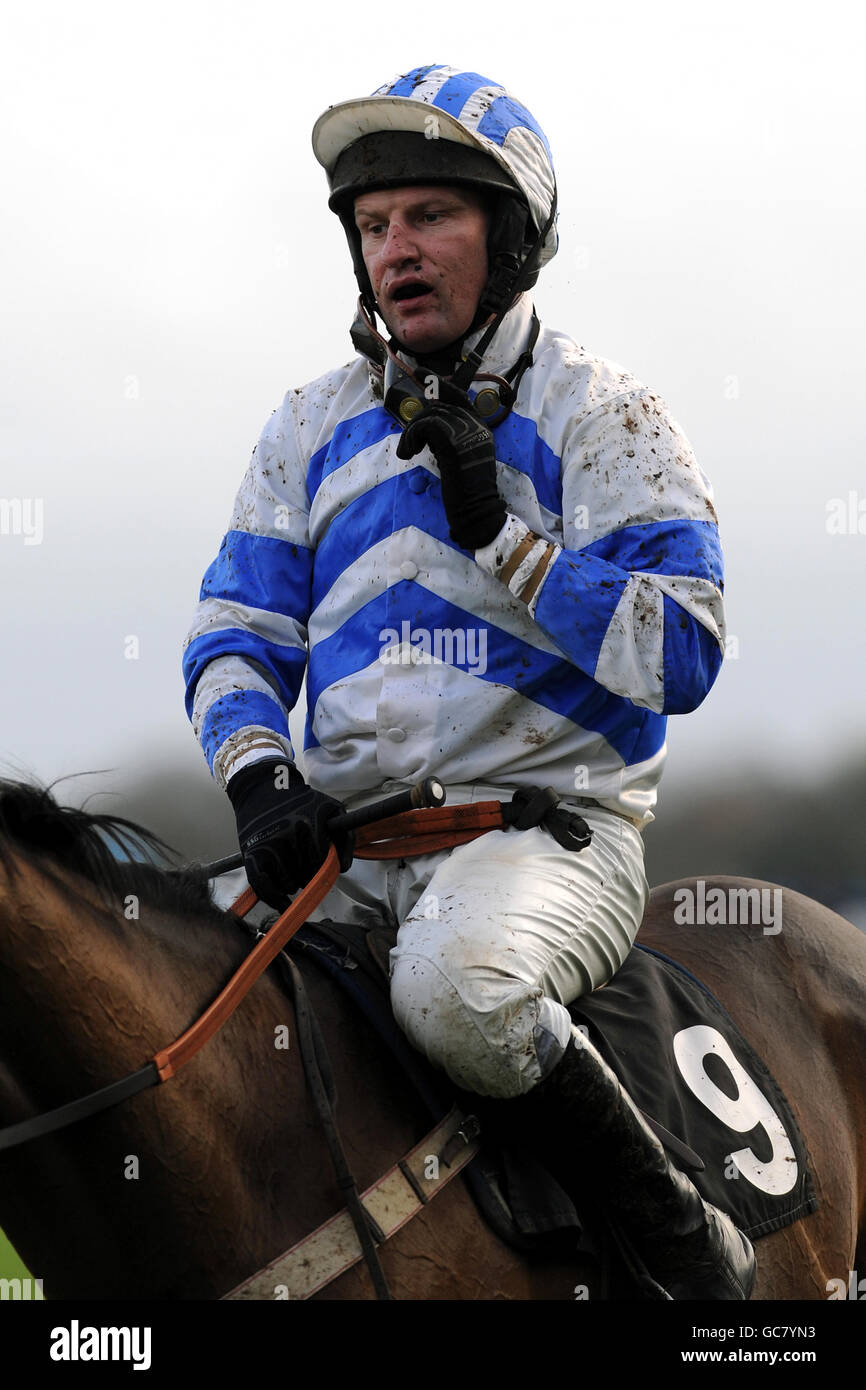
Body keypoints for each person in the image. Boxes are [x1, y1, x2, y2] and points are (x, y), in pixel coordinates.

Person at [182, 65, 753, 1299]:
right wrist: (262, 780)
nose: (396, 249)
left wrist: (507, 541)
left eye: (430, 215)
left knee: (453, 994)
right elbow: (231, 632)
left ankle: (692, 1254)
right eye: (373, 224)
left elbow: (686, 651)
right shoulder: (303, 426)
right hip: (346, 847)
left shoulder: (610, 418)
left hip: (546, 839)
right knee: (162, 995)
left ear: (510, 238)